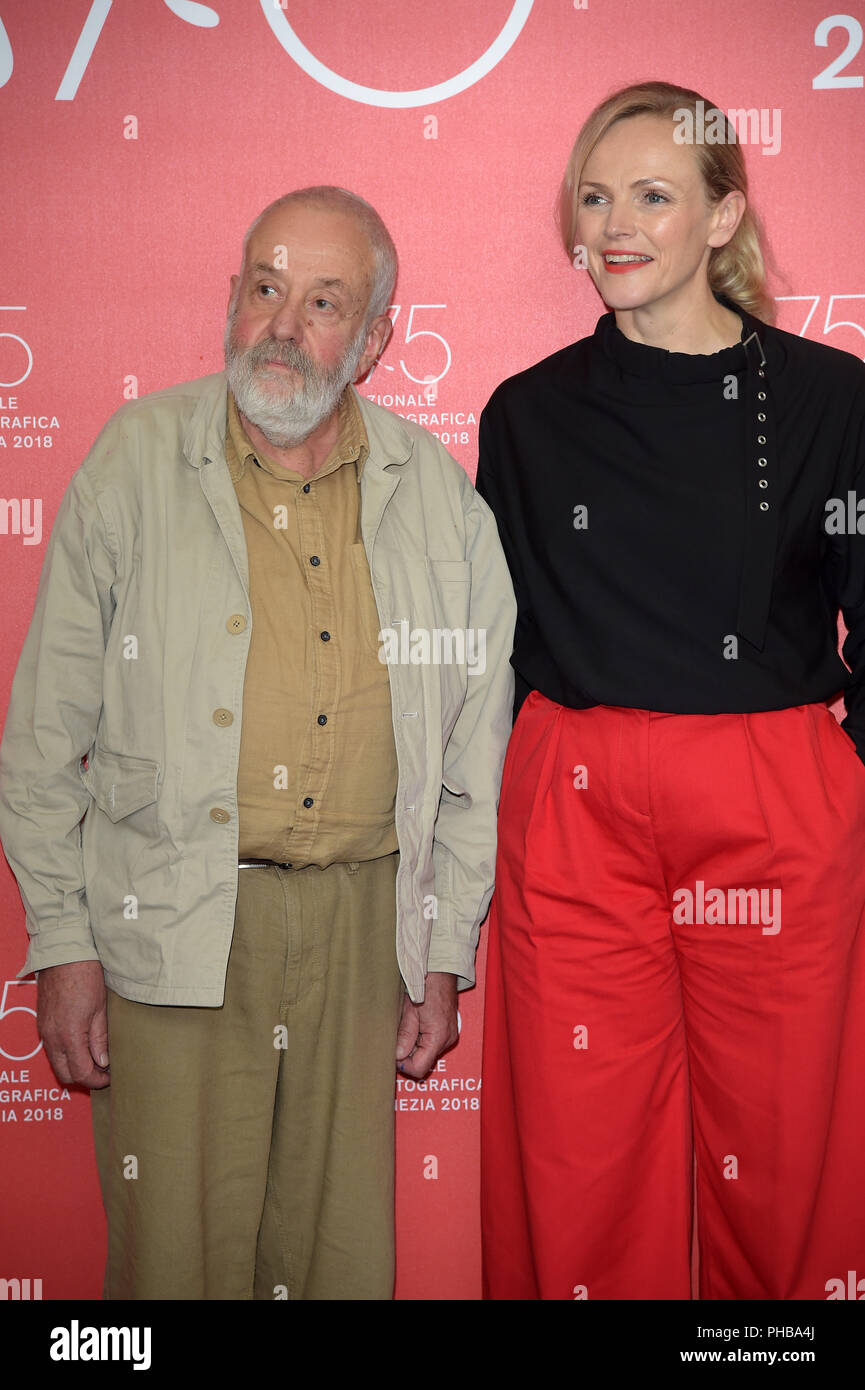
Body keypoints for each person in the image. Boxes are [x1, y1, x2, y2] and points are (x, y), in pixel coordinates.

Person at [0, 185, 516, 1300]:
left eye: (324, 301)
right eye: (266, 289)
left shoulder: (437, 500)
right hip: (171, 926)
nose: (283, 326)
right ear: (230, 300)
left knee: (335, 1267)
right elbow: (46, 737)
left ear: (376, 339)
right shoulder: (133, 465)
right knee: (172, 1266)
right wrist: (64, 941)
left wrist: (440, 945)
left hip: (357, 931)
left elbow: (474, 758)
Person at [476, 82, 865, 1300]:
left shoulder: (830, 399)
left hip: (773, 797)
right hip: (574, 805)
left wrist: (834, 780)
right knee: (580, 1165)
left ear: (721, 216)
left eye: (652, 194)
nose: (615, 224)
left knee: (787, 1163)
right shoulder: (526, 416)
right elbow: (494, 648)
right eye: (594, 198)